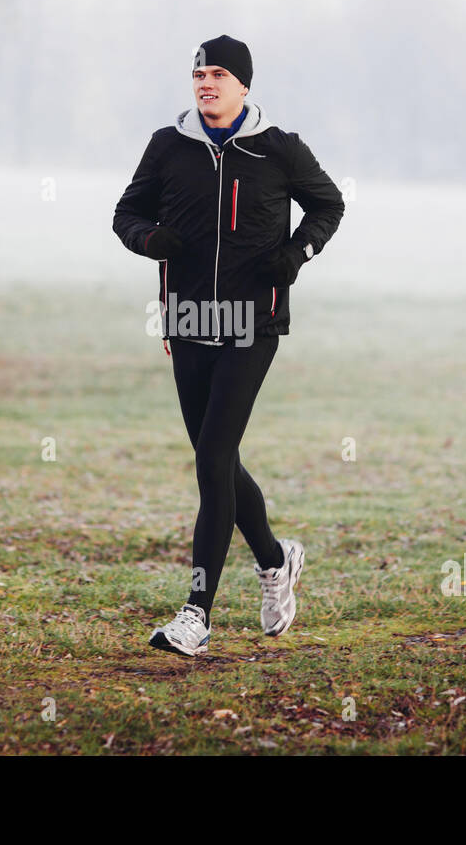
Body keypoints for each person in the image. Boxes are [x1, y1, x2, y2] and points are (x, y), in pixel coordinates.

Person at [112, 34, 345, 656]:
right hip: (187, 320)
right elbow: (124, 214)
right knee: (218, 462)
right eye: (198, 75)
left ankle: (197, 614)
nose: (206, 83)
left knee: (212, 457)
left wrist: (298, 252)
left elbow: (329, 205)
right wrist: (149, 240)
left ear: (244, 86)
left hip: (253, 322)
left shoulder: (279, 150)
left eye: (218, 74)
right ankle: (275, 560)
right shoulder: (168, 147)